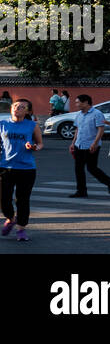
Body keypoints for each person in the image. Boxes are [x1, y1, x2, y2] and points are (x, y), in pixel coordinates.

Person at [1, 98, 42, 241]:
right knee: (4, 200)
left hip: (26, 168)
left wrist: (34, 147)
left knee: (22, 200)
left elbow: (40, 144)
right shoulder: (2, 124)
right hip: (4, 167)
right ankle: (11, 218)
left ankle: (21, 229)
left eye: (22, 107)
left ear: (28, 111)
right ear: (11, 108)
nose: (17, 108)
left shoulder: (32, 125)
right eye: (16, 105)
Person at [68, 95, 110, 197]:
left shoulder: (97, 114)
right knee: (78, 168)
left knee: (92, 168)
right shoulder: (79, 115)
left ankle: (109, 181)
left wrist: (95, 143)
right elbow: (77, 129)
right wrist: (73, 143)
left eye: (78, 102)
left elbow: (100, 129)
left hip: (91, 145)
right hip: (79, 145)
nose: (76, 105)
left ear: (86, 102)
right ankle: (81, 191)